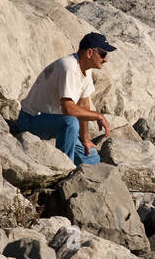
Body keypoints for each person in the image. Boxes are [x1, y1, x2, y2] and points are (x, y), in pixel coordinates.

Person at [15, 32, 115, 165]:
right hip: (31, 120)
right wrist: (98, 116)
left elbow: (84, 104)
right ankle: (65, 169)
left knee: (93, 159)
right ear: (90, 53)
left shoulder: (86, 68)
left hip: (56, 122)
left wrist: (85, 138)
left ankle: (71, 162)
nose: (106, 59)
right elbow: (68, 109)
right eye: (103, 54)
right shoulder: (69, 67)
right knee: (71, 122)